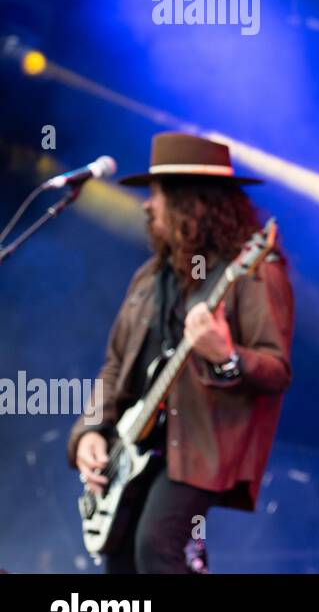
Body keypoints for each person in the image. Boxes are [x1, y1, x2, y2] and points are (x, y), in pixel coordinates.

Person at [68, 132, 293, 573]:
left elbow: (276, 369)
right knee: (120, 557)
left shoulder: (254, 273)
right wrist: (91, 431)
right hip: (136, 447)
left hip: (200, 448)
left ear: (194, 204)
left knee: (159, 546)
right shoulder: (148, 280)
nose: (148, 206)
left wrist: (226, 356)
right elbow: (115, 365)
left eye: (157, 194)